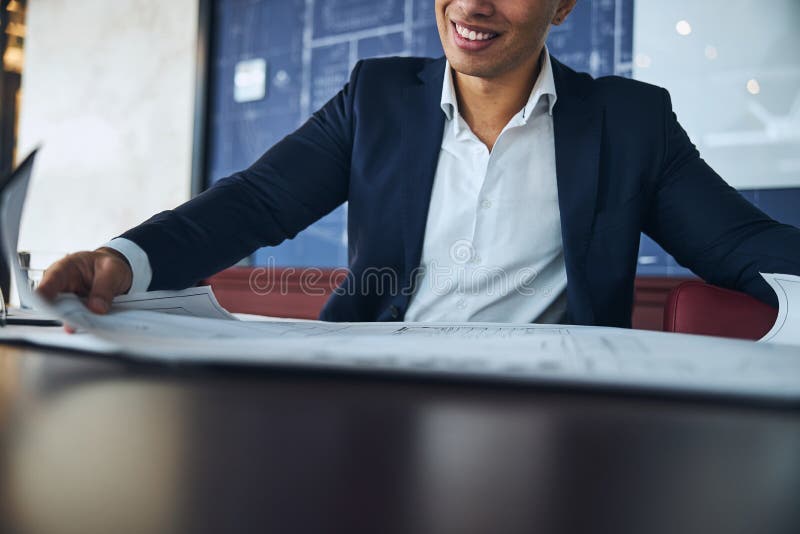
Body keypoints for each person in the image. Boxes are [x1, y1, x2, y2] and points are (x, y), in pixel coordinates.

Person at [37, 0, 800, 327]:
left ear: (564, 5)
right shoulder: (376, 97)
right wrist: (124, 259)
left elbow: (737, 242)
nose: (472, 7)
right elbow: (258, 202)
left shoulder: (631, 122)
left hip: (561, 414)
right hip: (372, 399)